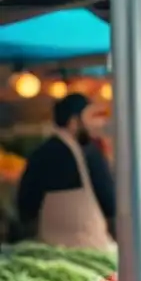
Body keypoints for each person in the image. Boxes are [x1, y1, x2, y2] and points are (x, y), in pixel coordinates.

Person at [17, 93, 115, 248]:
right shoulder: (89, 154)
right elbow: (110, 203)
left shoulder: (39, 154)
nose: (95, 125)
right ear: (74, 122)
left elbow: (25, 207)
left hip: (51, 250)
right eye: (90, 119)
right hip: (89, 247)